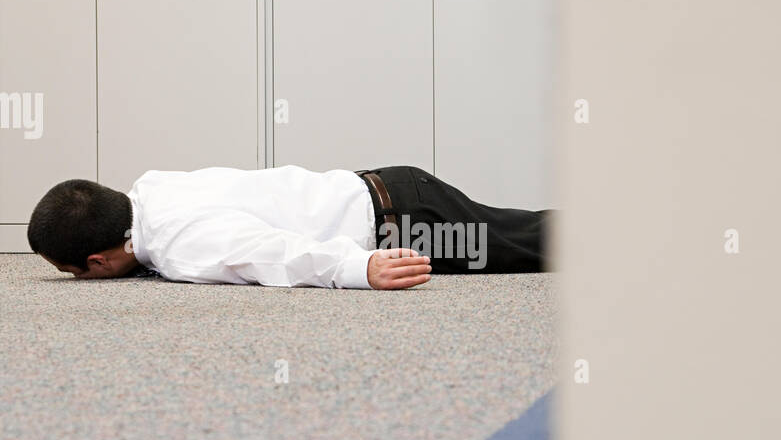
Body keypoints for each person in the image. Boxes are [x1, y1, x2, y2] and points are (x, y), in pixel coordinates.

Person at [27, 164, 550, 290]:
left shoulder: (179, 245)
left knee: (535, 246)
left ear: (97, 262)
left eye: (79, 275)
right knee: (522, 232)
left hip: (408, 227)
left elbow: (271, 252)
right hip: (391, 188)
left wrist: (358, 268)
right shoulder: (149, 190)